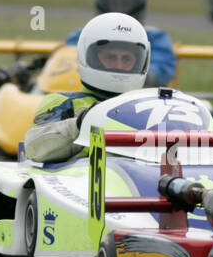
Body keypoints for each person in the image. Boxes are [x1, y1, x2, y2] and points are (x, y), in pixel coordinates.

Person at [0, 0, 175, 96]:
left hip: (136, 99)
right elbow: (63, 64)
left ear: (138, 4)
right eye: (114, 2)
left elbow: (160, 73)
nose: (119, 8)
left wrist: (123, 73)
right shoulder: (82, 36)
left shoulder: (154, 39)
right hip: (79, 97)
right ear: (102, 2)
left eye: (125, 3)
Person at [22, 12, 150, 163]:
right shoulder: (63, 103)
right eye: (110, 58)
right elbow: (35, 149)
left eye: (127, 59)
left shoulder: (149, 107)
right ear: (89, 57)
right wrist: (82, 122)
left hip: (140, 182)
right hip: (77, 183)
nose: (119, 66)